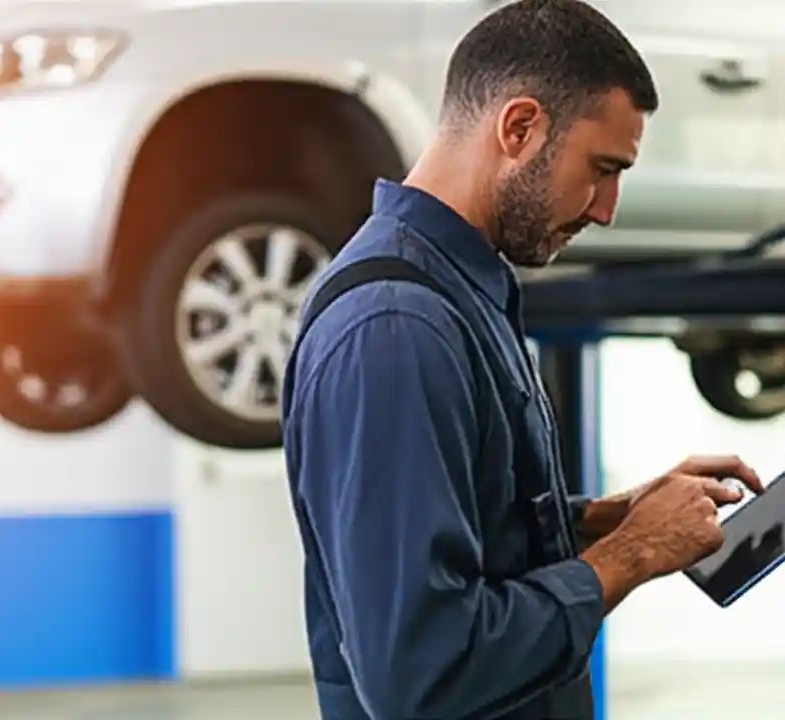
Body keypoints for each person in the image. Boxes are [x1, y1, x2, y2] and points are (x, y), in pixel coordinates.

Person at [280, 1, 765, 719]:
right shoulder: (396, 329)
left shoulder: (458, 293)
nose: (606, 209)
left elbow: (473, 530)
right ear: (519, 128)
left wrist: (608, 519)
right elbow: (421, 674)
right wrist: (629, 557)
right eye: (602, 169)